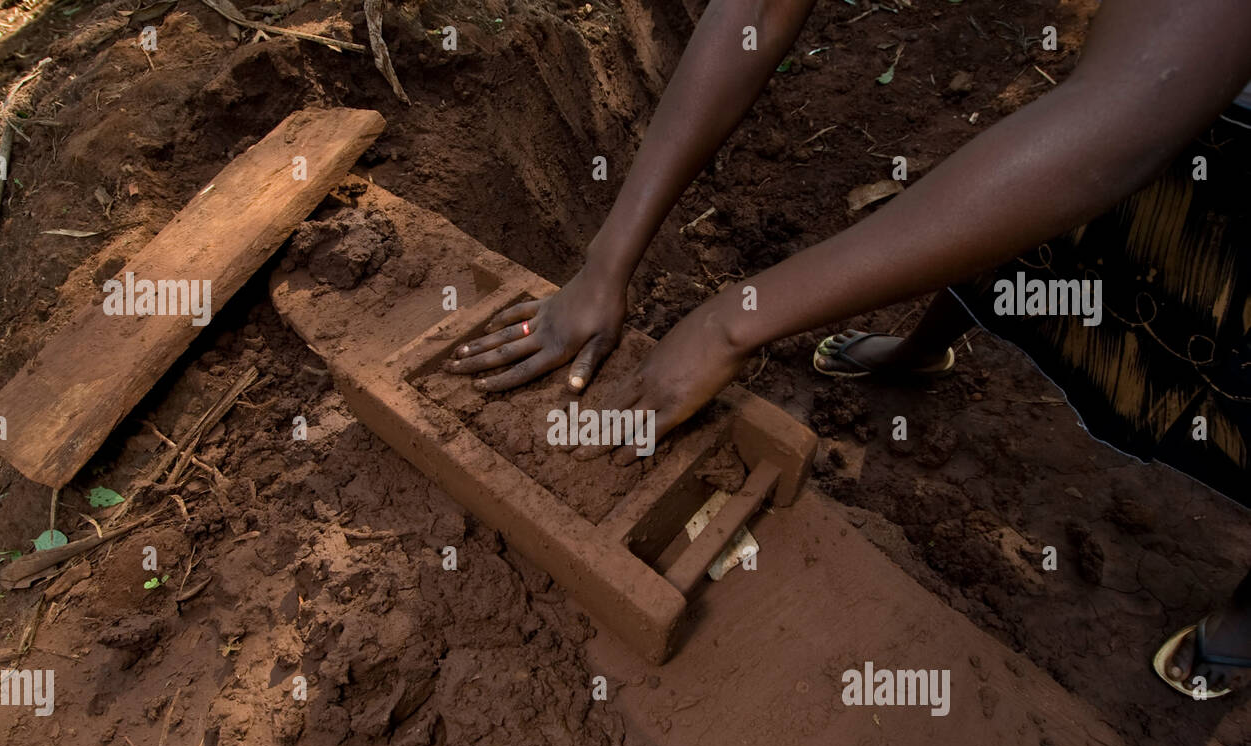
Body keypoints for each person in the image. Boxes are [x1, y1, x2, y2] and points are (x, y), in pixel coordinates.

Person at [444, 0, 1251, 697]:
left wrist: (734, 322)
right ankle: (921, 350)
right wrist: (607, 259)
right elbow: (758, 12)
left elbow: (1120, 121)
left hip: (1176, 92)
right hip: (1145, 94)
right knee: (1032, 245)